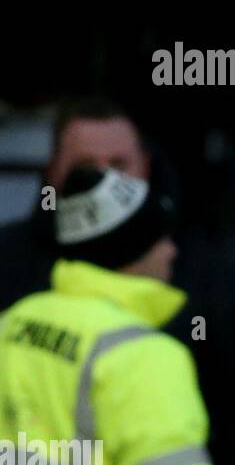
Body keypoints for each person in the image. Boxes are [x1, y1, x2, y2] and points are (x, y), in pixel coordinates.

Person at [0, 167, 235, 465]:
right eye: (160, 238)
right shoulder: (141, 354)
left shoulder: (14, 323)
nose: (171, 251)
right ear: (131, 250)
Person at [0, 98, 150, 313]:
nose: (103, 180)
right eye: (85, 166)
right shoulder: (7, 258)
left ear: (145, 168)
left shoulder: (184, 259)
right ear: (53, 171)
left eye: (118, 164)